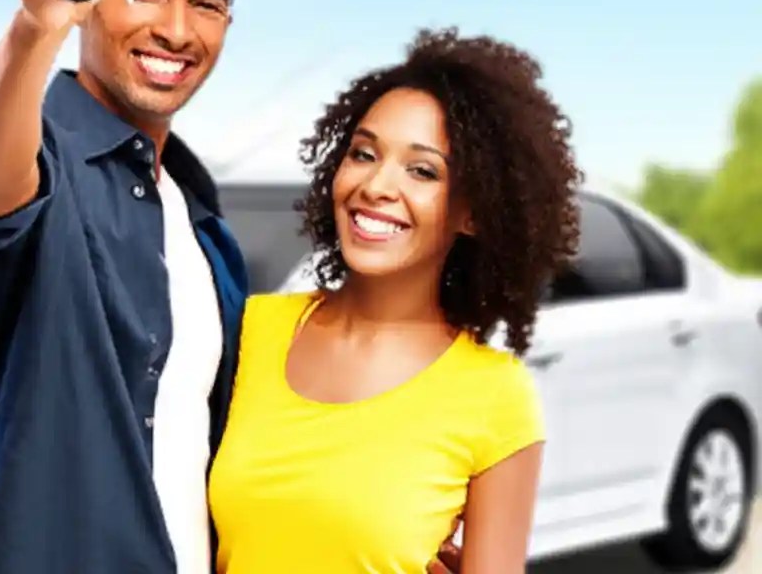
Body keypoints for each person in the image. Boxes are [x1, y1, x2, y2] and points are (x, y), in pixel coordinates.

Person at [0, 0, 466, 574]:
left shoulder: (204, 230)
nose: (175, 29)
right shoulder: (31, 161)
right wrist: (35, 29)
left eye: (206, 3)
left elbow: (214, 456)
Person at [207, 28, 582, 573]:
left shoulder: (496, 399)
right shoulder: (254, 330)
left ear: (475, 213)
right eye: (364, 153)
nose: (377, 185)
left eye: (423, 170)